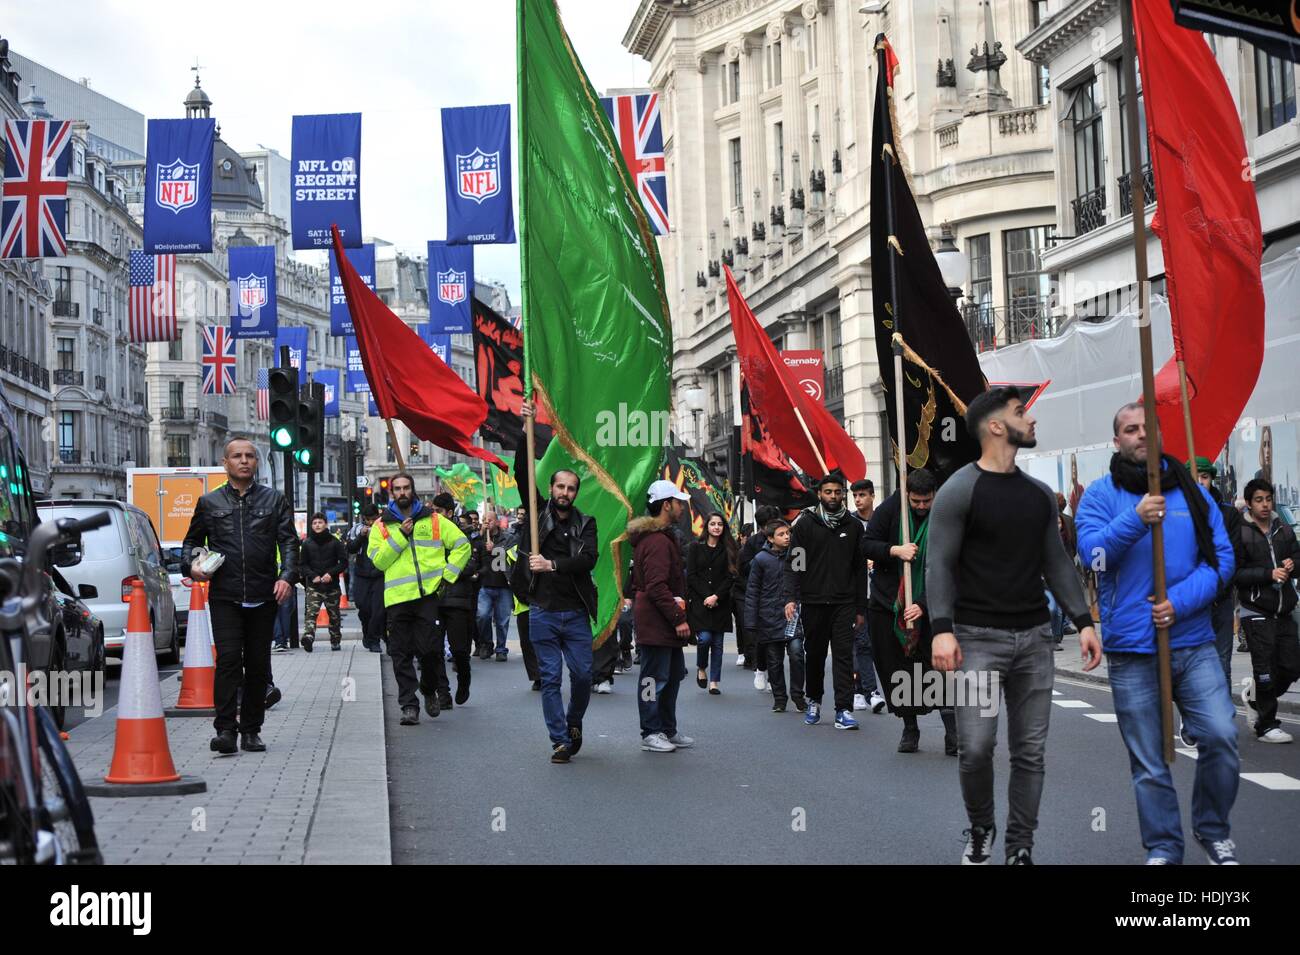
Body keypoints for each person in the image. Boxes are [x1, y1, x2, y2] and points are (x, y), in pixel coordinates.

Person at [927, 386, 1100, 865]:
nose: (1032, 419)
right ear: (997, 427)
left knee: (1029, 753)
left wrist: (1084, 622)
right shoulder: (959, 490)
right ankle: (981, 829)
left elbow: (1058, 564)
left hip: (1035, 640)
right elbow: (937, 563)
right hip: (975, 639)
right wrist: (942, 628)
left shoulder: (1039, 496)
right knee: (977, 748)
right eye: (1021, 412)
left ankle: (1020, 847)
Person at [1075, 402, 1239, 865]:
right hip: (1131, 650)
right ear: (1117, 441)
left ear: (1163, 435)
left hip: (1192, 641)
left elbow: (1222, 561)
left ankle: (1212, 828)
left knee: (1222, 734)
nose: (1141, 435)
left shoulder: (1194, 493)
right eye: (1131, 429)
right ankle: (1165, 847)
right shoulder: (1101, 496)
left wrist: (1179, 601)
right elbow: (1094, 558)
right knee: (1149, 761)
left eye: (1149, 428)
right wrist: (1136, 520)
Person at [182, 437, 299, 755]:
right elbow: (191, 543)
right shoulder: (210, 503)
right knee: (229, 661)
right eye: (237, 456)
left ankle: (251, 731)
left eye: (250, 456)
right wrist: (193, 565)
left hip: (264, 594)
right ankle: (225, 730)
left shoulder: (274, 500)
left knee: (259, 665)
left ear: (256, 462)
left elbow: (289, 542)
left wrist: (287, 577)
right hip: (226, 596)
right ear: (225, 462)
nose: (244, 460)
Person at [511, 409, 599, 763]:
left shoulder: (586, 523)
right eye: (560, 486)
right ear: (551, 489)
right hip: (542, 610)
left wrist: (552, 564)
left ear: (576, 493)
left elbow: (588, 559)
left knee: (581, 676)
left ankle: (574, 721)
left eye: (571, 488)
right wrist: (524, 432)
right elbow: (521, 473)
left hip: (575, 612)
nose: (565, 492)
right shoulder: (537, 513)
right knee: (550, 679)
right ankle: (560, 740)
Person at [862, 468, 956, 754]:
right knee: (896, 670)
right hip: (888, 604)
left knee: (938, 669)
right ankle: (910, 728)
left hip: (932, 602)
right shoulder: (891, 509)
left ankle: (953, 733)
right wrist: (895, 551)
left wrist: (924, 604)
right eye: (916, 502)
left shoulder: (945, 515)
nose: (922, 507)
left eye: (927, 501)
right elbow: (866, 545)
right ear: (907, 495)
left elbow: (953, 566)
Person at [369, 473, 471, 726]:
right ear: (391, 493)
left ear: (413, 490)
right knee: (400, 654)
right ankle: (409, 705)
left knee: (430, 651)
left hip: (428, 597)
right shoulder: (380, 527)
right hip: (397, 599)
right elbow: (379, 561)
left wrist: (448, 575)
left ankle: (428, 688)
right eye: (398, 489)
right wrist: (401, 536)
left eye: (406, 488)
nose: (402, 492)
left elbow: (462, 545)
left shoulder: (433, 520)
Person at [784, 472, 868, 730]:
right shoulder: (805, 525)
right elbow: (794, 562)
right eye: (828, 492)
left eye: (837, 492)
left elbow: (859, 568)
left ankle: (843, 709)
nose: (833, 496)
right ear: (819, 494)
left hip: (844, 603)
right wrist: (791, 597)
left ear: (843, 495)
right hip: (813, 601)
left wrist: (860, 607)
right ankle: (814, 701)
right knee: (816, 654)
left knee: (843, 656)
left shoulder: (854, 527)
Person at [628, 480, 694, 752]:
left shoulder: (663, 537)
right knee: (652, 679)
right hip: (657, 621)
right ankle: (651, 731)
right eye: (678, 502)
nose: (682, 507)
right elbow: (656, 586)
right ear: (667, 505)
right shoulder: (656, 541)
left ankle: (667, 728)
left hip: (663, 620)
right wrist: (678, 618)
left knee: (673, 676)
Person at [1235, 477, 1299, 744]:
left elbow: (1299, 556)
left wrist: (1293, 563)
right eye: (1258, 500)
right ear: (1249, 504)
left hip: (1284, 608)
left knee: (1291, 665)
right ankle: (1266, 725)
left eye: (1268, 499)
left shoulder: (1283, 529)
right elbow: (1235, 573)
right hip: (1255, 609)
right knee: (1263, 668)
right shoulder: (1241, 532)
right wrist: (1267, 574)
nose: (1264, 505)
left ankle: (1256, 698)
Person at [1193, 458, 1242, 690]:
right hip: (1191, 602)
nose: (1200, 482)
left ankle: (1222, 718)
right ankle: (1192, 720)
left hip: (1220, 600)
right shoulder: (1178, 514)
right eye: (1194, 477)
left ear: (1212, 479)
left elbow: (1232, 558)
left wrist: (1215, 591)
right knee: (1192, 662)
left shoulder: (1229, 515)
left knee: (1222, 660)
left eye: (1204, 477)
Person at [747, 519, 804, 712]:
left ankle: (798, 694)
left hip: (793, 615)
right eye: (781, 534)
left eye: (788, 533)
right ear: (770, 538)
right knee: (774, 660)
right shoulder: (760, 559)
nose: (787, 536)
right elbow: (753, 590)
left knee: (797, 654)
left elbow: (805, 579)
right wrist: (751, 622)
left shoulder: (797, 554)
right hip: (769, 616)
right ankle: (780, 698)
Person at [432, 492, 483, 707]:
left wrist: (443, 570)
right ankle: (443, 692)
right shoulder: (428, 536)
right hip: (433, 600)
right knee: (433, 650)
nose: (435, 516)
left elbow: (471, 565)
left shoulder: (464, 536)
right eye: (433, 511)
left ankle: (464, 678)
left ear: (450, 513)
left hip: (458, 600)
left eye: (439, 512)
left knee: (459, 649)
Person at [687, 512, 736, 695]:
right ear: (706, 526)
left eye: (720, 524)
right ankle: (701, 667)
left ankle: (714, 681)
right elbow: (691, 576)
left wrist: (716, 596)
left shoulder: (729, 548)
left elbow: (730, 576)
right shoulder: (695, 547)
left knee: (717, 643)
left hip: (721, 603)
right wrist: (707, 596)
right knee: (705, 638)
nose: (716, 527)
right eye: (713, 524)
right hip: (700, 602)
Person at [850, 478, 886, 714]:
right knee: (861, 642)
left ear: (872, 495)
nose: (858, 500)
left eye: (863, 495)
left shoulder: (882, 522)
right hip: (857, 594)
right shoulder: (850, 524)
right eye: (855, 496)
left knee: (873, 644)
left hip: (881, 593)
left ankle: (858, 689)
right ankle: (870, 692)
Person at [736, 506, 779, 679]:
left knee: (779, 638)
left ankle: (774, 675)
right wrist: (761, 559)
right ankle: (759, 665)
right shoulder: (753, 542)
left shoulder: (785, 539)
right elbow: (744, 568)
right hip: (759, 594)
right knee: (760, 635)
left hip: (779, 594)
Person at [300, 512, 347, 652]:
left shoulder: (335, 542)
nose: (317, 525)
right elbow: (302, 564)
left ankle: (335, 640)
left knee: (334, 615)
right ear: (311, 526)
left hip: (331, 586)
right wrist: (312, 575)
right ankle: (308, 637)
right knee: (311, 613)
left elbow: (343, 562)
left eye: (320, 522)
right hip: (314, 586)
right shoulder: (307, 543)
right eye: (314, 523)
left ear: (325, 524)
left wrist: (331, 574)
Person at [477, 504, 516, 662]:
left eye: (491, 520)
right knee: (482, 616)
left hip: (503, 585)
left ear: (497, 522)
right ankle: (487, 644)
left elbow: (512, 553)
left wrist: (495, 548)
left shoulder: (508, 537)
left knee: (502, 620)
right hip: (485, 585)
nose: (488, 522)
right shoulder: (479, 537)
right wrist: (481, 533)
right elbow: (472, 549)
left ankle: (501, 649)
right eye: (485, 520)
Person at [347, 504, 385, 652]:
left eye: (373, 519)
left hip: (379, 574)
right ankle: (367, 633)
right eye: (367, 520)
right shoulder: (357, 529)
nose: (370, 523)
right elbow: (350, 548)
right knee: (363, 607)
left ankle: (374, 639)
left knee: (378, 609)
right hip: (362, 574)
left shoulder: (385, 527)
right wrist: (362, 536)